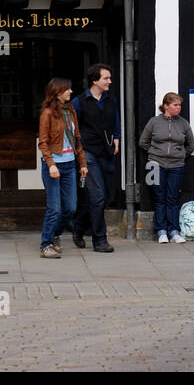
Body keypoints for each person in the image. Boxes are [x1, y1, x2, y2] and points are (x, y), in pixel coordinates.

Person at [37, 77, 87, 259]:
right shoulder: (47, 113)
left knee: (71, 208)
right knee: (54, 208)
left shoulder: (70, 111)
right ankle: (46, 244)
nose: (71, 92)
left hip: (69, 164)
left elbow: (77, 138)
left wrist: (82, 163)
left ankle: (55, 234)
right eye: (67, 89)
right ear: (57, 92)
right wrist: (51, 164)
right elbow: (42, 143)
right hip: (54, 166)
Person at [70, 63, 118, 253]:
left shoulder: (110, 100)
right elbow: (73, 129)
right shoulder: (79, 102)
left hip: (107, 152)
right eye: (106, 78)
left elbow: (115, 121)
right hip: (88, 153)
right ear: (95, 80)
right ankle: (99, 240)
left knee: (104, 197)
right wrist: (78, 153)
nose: (110, 81)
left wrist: (117, 138)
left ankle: (78, 225)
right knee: (97, 196)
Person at [139, 92, 194, 243]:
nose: (178, 108)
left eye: (179, 105)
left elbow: (191, 145)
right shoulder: (154, 122)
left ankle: (174, 231)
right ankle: (161, 231)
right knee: (158, 198)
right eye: (175, 105)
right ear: (166, 106)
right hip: (155, 165)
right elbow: (143, 142)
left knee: (173, 197)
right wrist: (154, 153)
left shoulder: (183, 123)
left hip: (176, 166)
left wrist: (181, 155)